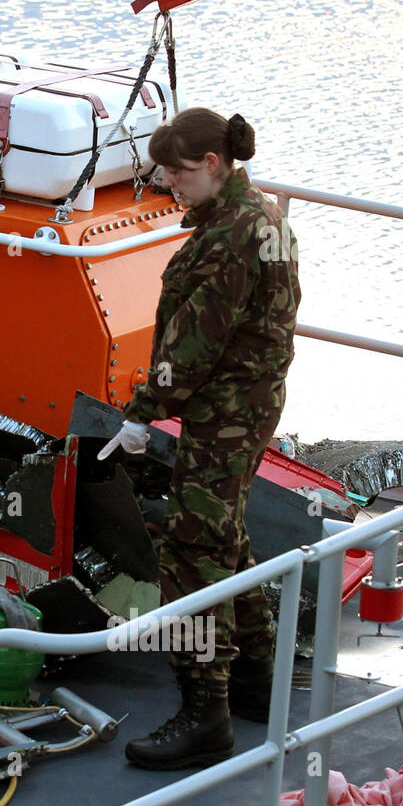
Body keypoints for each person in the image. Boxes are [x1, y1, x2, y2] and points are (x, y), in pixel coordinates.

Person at [97, 108, 302, 771]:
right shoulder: (255, 215)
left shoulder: (237, 236)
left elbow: (195, 343)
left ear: (212, 165)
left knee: (190, 553)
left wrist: (142, 412)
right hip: (245, 405)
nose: (166, 181)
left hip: (224, 413)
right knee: (223, 534)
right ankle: (255, 677)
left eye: (177, 170)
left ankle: (203, 709)